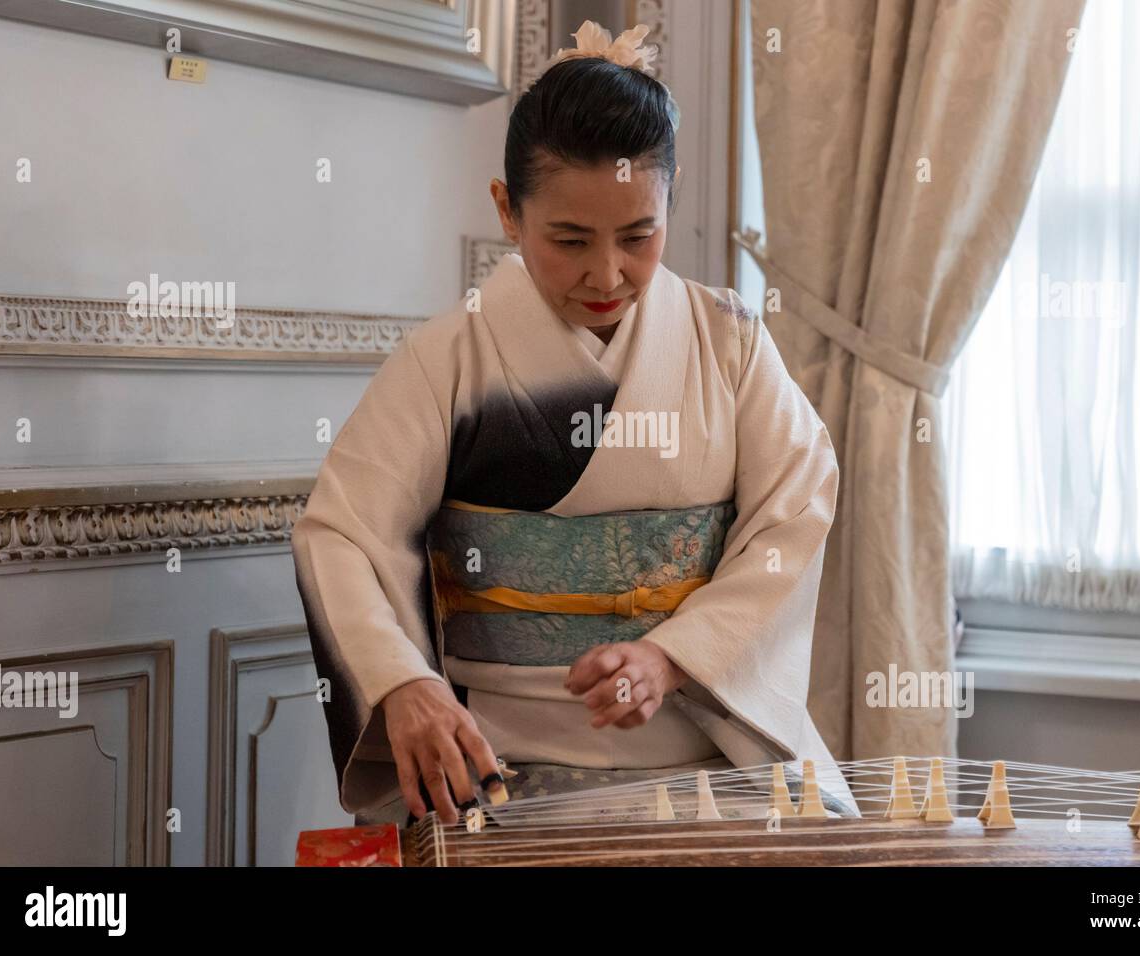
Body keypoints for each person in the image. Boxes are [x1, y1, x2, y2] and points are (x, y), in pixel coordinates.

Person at [291, 21, 857, 826]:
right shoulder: (449, 357)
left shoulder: (728, 340)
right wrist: (401, 683)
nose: (607, 273)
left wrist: (670, 654)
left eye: (639, 236)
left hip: (705, 762)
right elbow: (340, 533)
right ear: (507, 211)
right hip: (500, 770)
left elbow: (796, 510)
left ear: (671, 196)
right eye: (568, 239)